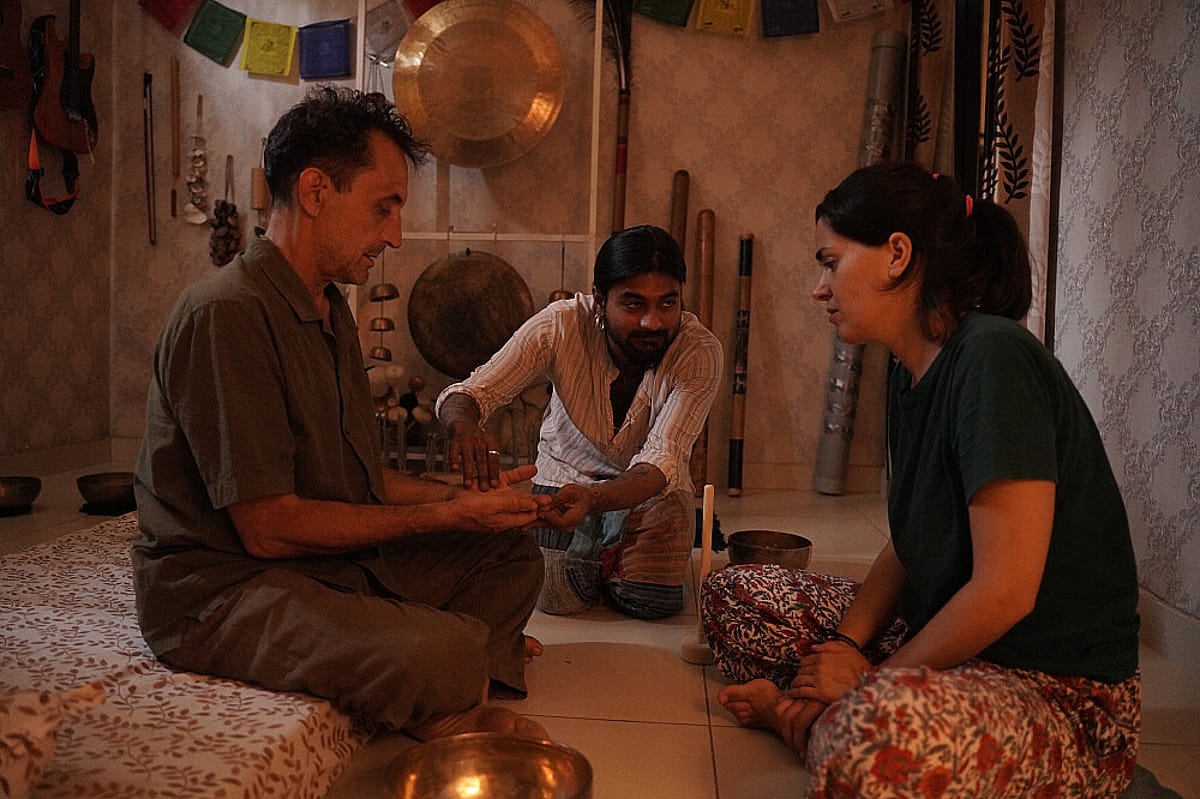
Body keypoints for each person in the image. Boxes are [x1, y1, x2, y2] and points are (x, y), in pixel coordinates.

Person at [702, 162, 1140, 796]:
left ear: (896, 256)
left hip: (1058, 698)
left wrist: (867, 683)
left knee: (873, 738)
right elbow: (909, 543)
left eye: (831, 261)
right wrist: (845, 646)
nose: (818, 288)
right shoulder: (912, 376)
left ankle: (829, 722)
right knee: (735, 596)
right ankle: (828, 713)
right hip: (952, 657)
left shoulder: (993, 358)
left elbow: (1005, 592)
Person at [131, 86, 552, 742]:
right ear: (316, 190)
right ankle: (449, 678)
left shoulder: (329, 308)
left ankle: (442, 671)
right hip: (226, 589)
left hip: (317, 561)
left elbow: (361, 479)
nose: (396, 234)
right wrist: (441, 516)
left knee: (510, 556)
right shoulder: (227, 315)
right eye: (385, 207)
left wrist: (472, 501)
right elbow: (269, 530)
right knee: (441, 653)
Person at [437, 225, 723, 620]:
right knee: (557, 601)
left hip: (648, 494)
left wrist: (596, 501)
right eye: (634, 304)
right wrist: (465, 427)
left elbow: (663, 461)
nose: (652, 323)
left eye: (667, 304)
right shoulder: (560, 325)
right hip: (563, 486)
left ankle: (610, 561)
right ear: (600, 300)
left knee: (651, 604)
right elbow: (471, 393)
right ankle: (602, 561)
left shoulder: (699, 350)